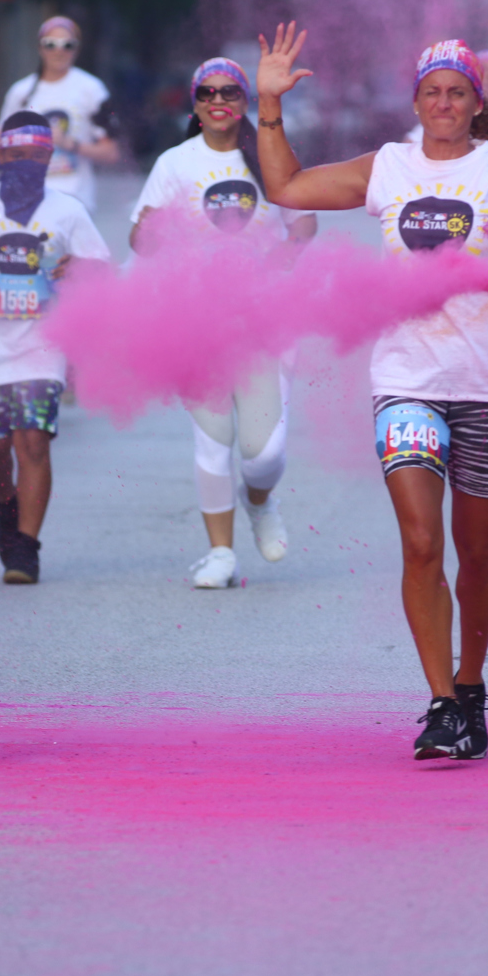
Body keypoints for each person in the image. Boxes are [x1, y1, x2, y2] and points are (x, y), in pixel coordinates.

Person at [255, 20, 488, 760]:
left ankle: (470, 682)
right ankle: (439, 702)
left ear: (474, 99)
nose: (445, 104)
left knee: (477, 553)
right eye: (433, 93)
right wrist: (269, 109)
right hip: (407, 386)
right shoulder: (386, 167)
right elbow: (286, 185)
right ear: (417, 100)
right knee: (422, 543)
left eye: (458, 92)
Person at [130, 58, 318, 588]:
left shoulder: (267, 156)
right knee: (213, 441)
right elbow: (141, 242)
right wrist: (148, 231)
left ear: (244, 103)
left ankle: (259, 500)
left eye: (231, 92)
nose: (219, 100)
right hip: (199, 324)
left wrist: (292, 244)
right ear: (195, 103)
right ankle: (220, 554)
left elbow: (304, 218)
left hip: (265, 323)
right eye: (208, 92)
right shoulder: (174, 164)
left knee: (265, 453)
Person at [0, 111, 110, 583]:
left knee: (33, 441)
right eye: (17, 156)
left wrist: (79, 268)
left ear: (50, 158)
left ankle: (25, 549)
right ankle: (6, 506)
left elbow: (103, 270)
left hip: (44, 345)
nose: (27, 164)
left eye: (38, 156)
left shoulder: (68, 211)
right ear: (1, 155)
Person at [0, 17, 120, 214]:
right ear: (40, 48)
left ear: (76, 49)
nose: (58, 51)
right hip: (28, 201)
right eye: (50, 44)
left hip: (75, 202)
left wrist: (70, 144)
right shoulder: (21, 92)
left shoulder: (92, 90)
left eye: (67, 45)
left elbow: (111, 153)